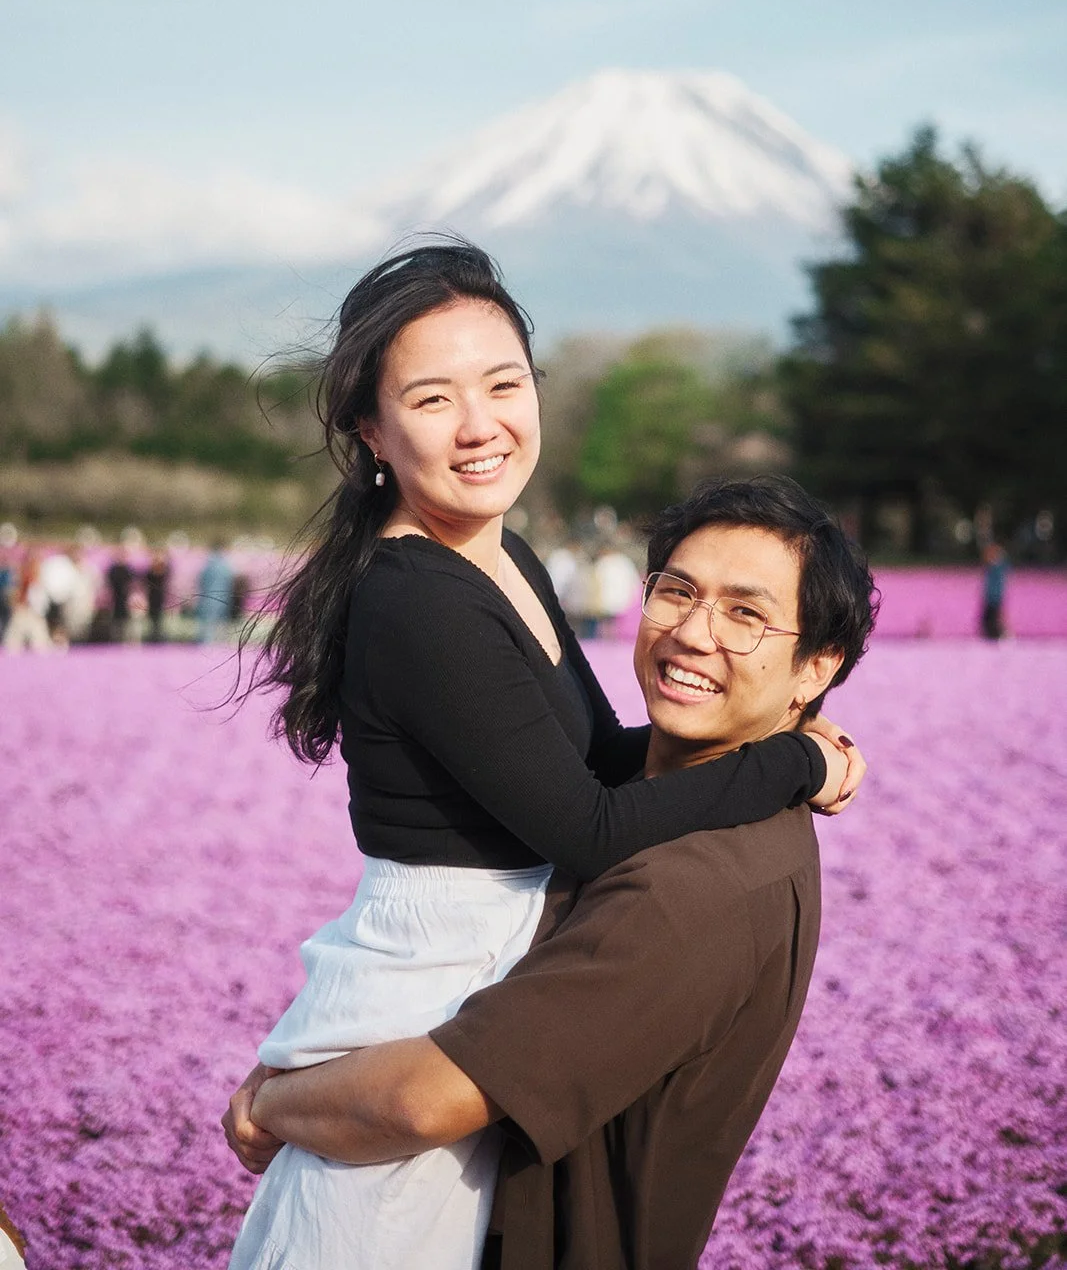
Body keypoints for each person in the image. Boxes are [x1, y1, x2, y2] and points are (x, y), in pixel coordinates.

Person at [224, 247, 857, 1270]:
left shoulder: (498, 552)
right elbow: (589, 828)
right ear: (370, 431)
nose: (481, 425)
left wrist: (779, 745)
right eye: (433, 398)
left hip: (490, 957)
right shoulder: (419, 597)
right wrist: (791, 763)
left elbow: (594, 757)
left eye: (503, 384)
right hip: (428, 976)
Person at [197, 540, 234, 644]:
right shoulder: (226, 565)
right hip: (223, 597)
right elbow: (230, 581)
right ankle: (221, 643)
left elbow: (201, 581)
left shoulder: (207, 564)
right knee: (222, 623)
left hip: (208, 597)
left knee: (207, 623)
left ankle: (206, 643)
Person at [979, 542, 1010, 640]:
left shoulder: (998, 567)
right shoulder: (993, 567)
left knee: (993, 618)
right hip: (990, 597)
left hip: (994, 597)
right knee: (987, 618)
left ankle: (999, 634)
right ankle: (993, 634)